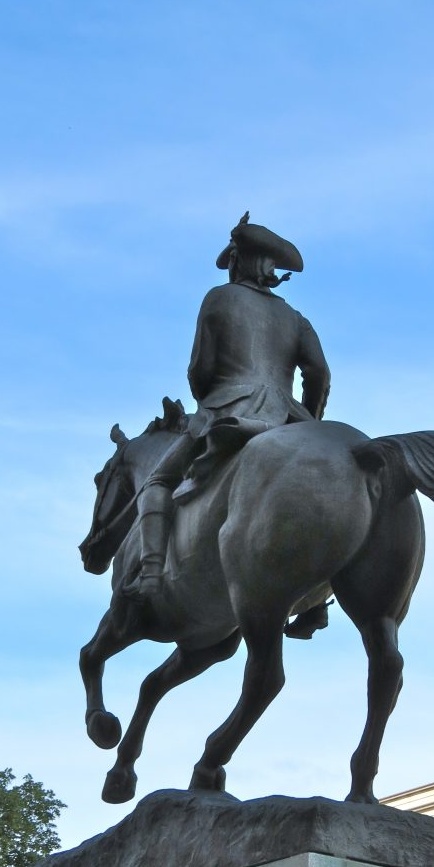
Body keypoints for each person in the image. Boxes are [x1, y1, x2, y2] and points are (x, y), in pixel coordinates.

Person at [126, 213, 332, 637]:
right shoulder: (295, 318)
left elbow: (199, 370)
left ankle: (148, 576)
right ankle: (315, 604)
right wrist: (310, 420)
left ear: (243, 262)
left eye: (234, 259)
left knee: (157, 482)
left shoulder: (217, 299)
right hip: (289, 419)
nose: (231, 267)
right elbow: (320, 373)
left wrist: (209, 399)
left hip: (226, 411)